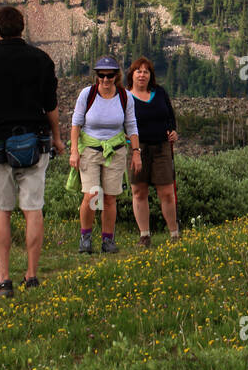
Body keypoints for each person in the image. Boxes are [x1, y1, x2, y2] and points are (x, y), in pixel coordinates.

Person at [0, 6, 62, 298]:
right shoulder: (41, 60)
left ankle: (4, 280)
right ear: (22, 29)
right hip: (36, 143)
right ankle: (31, 276)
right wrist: (57, 137)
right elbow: (51, 106)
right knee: (33, 210)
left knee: (2, 211)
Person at [69, 56, 140, 253]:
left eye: (110, 76)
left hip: (115, 151)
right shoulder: (87, 94)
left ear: (116, 76)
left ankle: (108, 240)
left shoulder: (125, 97)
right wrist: (74, 151)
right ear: (97, 76)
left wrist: (136, 152)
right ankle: (86, 237)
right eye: (101, 75)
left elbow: (131, 125)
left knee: (109, 197)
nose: (106, 80)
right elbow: (76, 123)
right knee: (92, 195)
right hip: (90, 150)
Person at [126, 57, 179, 246]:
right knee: (139, 191)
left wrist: (173, 131)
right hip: (136, 150)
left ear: (151, 76)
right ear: (131, 74)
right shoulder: (125, 97)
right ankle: (144, 235)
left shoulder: (160, 92)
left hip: (161, 147)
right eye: (138, 71)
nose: (142, 74)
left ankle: (174, 234)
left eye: (146, 71)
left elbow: (170, 116)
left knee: (166, 192)